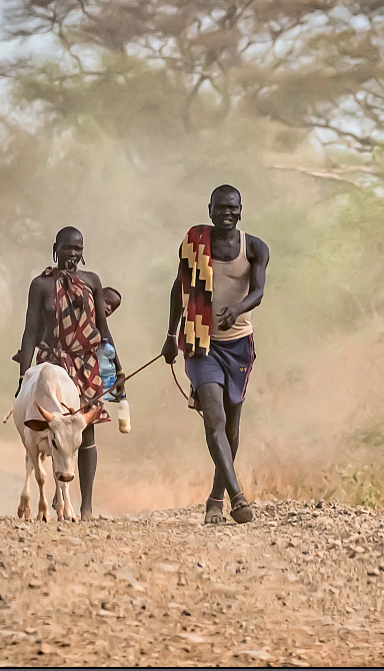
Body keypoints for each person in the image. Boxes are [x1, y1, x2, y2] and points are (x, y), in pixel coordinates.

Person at [161, 185, 269, 525]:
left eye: (232, 207)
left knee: (232, 429)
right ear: (210, 209)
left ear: (241, 210)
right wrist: (169, 335)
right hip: (200, 342)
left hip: (238, 344)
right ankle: (238, 498)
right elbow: (179, 289)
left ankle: (215, 498)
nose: (226, 212)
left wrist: (236, 310)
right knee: (215, 419)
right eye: (220, 207)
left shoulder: (254, 248)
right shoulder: (193, 243)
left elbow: (259, 291)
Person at [16, 226, 120, 521]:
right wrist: (24, 378)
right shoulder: (41, 285)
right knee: (53, 432)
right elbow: (30, 333)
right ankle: (57, 496)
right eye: (67, 248)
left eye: (78, 249)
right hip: (53, 367)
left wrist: (117, 368)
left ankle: (85, 505)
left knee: (85, 432)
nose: (73, 254)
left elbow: (103, 328)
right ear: (56, 249)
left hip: (87, 364)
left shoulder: (92, 282)